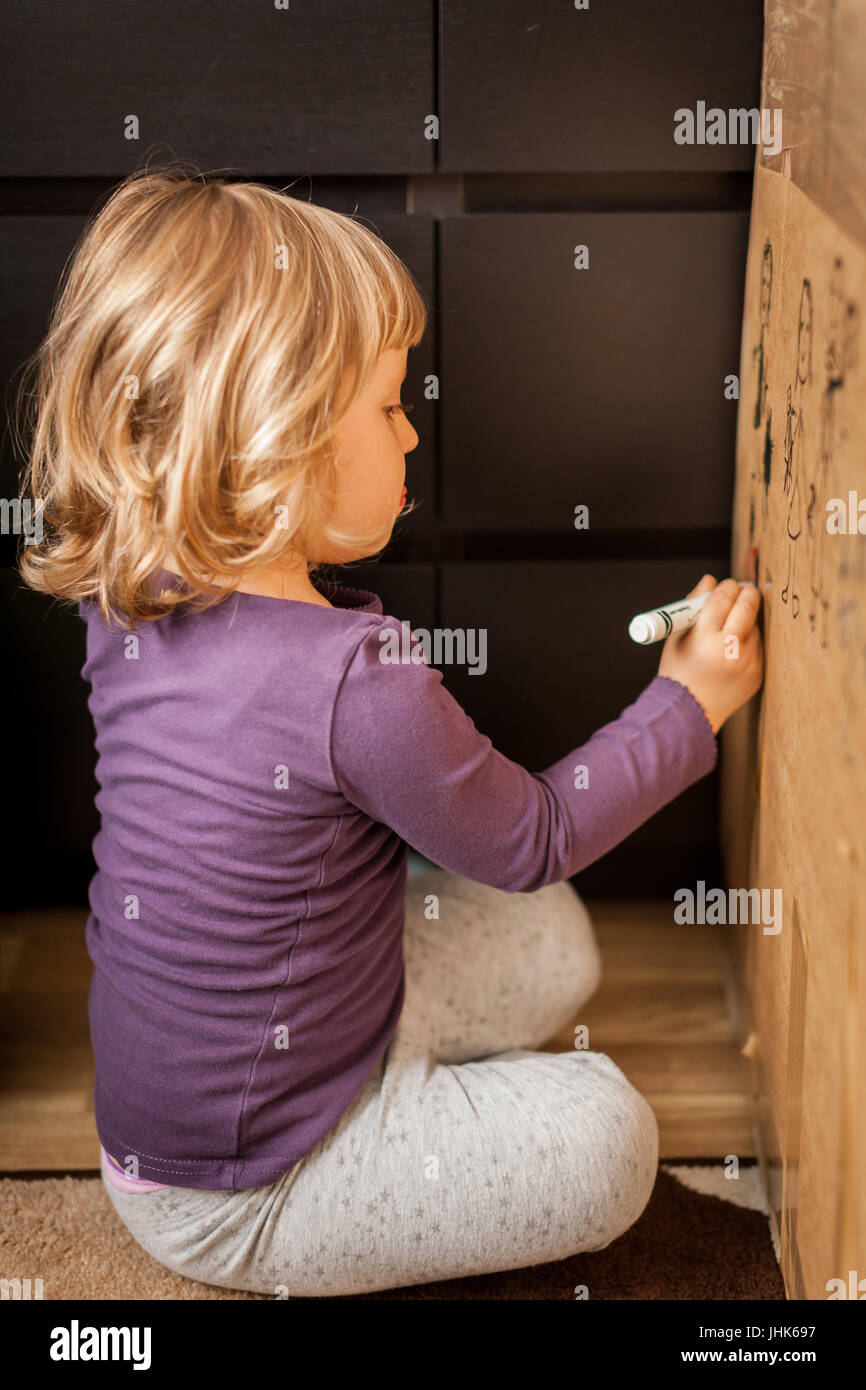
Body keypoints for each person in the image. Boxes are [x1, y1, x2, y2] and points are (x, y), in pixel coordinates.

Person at [15, 165, 763, 1296]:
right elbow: (538, 834)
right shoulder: (358, 684)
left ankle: (422, 1088)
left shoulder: (129, 590)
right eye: (384, 405)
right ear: (278, 442)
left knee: (553, 940)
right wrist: (686, 700)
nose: (409, 435)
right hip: (246, 1188)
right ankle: (405, 1131)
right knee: (609, 1134)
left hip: (274, 1049)